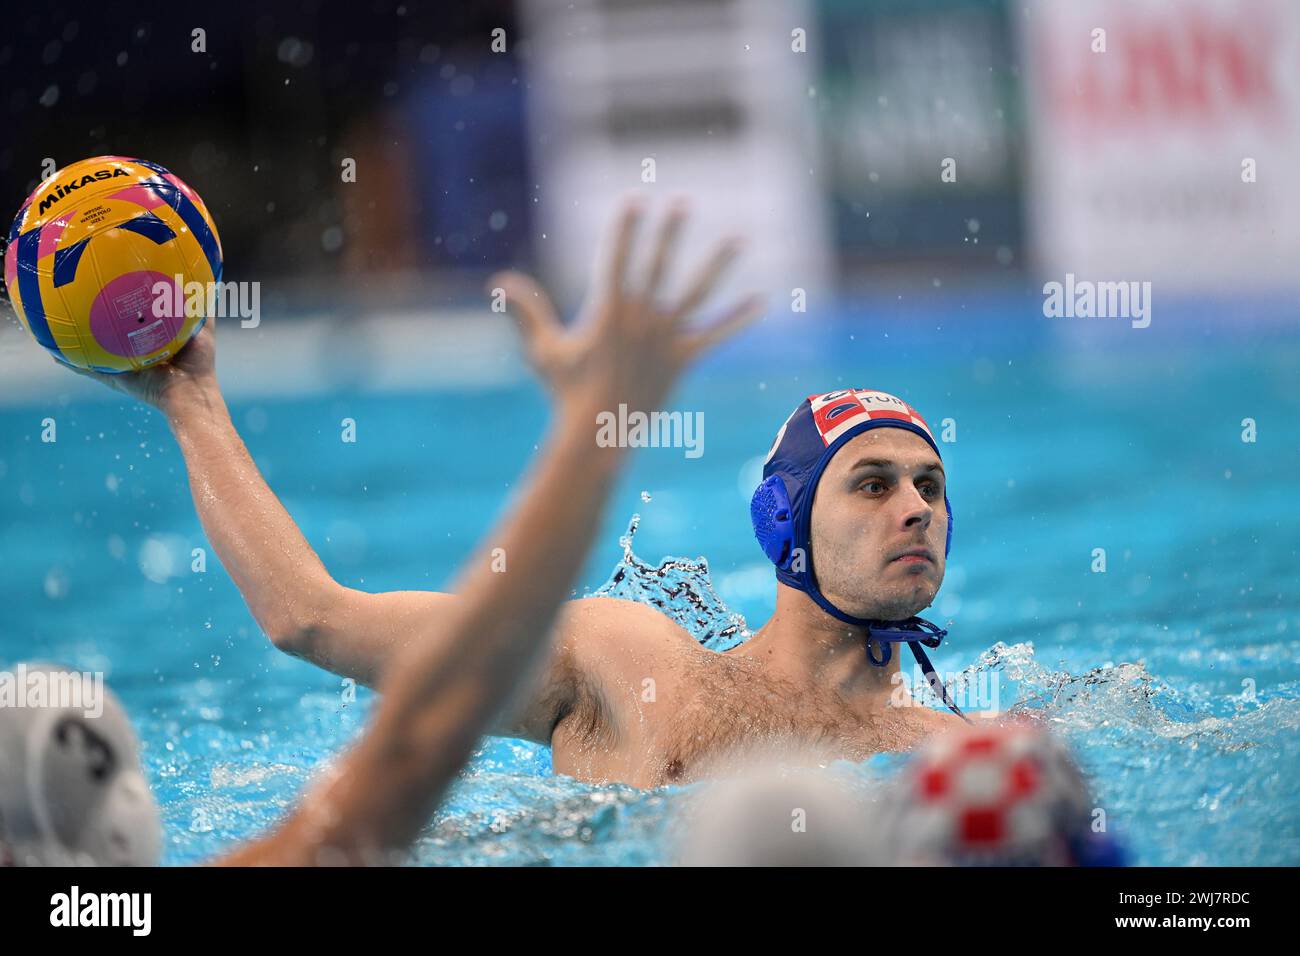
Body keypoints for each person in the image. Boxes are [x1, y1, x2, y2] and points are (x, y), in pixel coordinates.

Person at [79, 200, 969, 790]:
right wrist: (190, 403)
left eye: (930, 485)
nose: (916, 507)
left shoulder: (954, 751)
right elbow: (310, 618)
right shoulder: (631, 663)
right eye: (872, 483)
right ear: (784, 524)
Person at [2, 202, 758, 865]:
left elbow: (324, 635)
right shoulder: (627, 657)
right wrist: (593, 432)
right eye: (869, 483)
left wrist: (189, 399)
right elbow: (411, 734)